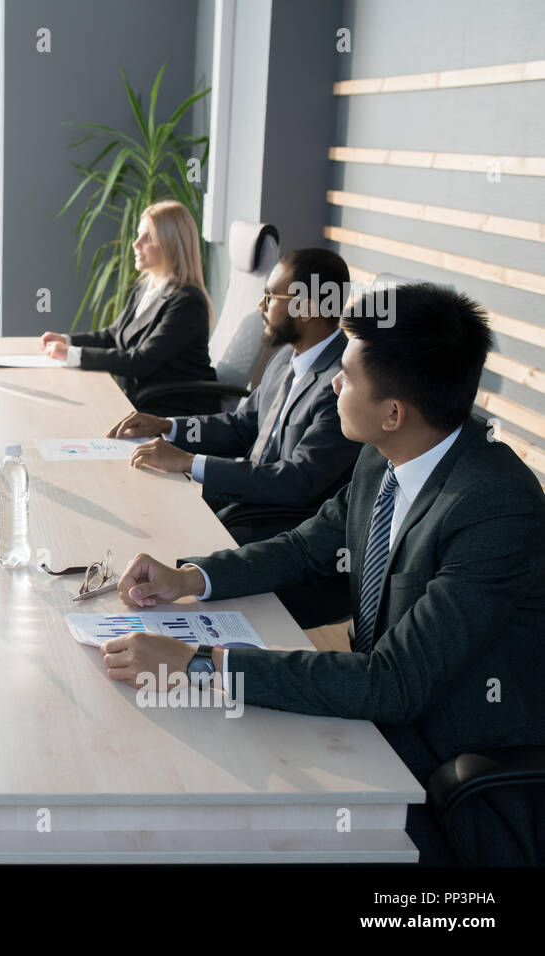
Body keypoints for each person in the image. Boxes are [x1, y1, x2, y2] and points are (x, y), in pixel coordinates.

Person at [105, 283, 545, 864]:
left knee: (237, 814)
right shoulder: (387, 451)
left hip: (446, 767)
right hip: (376, 716)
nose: (333, 383)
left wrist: (196, 663)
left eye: (347, 374)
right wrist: (190, 578)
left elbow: (394, 682)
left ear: (393, 411)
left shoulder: (494, 507)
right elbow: (307, 547)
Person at [109, 248, 362, 547]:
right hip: (243, 502)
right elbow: (242, 425)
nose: (260, 305)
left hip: (280, 531)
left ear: (305, 310)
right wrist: (167, 426)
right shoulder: (285, 357)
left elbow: (296, 482)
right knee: (134, 505)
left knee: (157, 536)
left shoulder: (341, 385)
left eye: (270, 297)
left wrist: (190, 462)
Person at [39, 199, 218, 417]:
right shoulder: (145, 288)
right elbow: (114, 334)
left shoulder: (187, 302)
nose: (136, 244)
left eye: (148, 238)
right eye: (138, 235)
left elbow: (140, 362)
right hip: (139, 402)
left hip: (170, 412)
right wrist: (68, 341)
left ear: (172, 244)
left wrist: (73, 354)